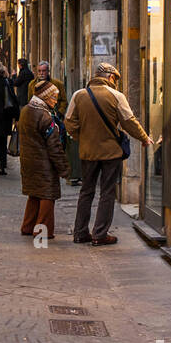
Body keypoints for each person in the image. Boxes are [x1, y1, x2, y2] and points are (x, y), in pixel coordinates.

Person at [65, 62, 152, 245]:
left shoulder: (78, 95)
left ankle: (80, 233)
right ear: (111, 77)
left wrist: (83, 137)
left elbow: (69, 122)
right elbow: (129, 121)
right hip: (110, 154)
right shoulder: (116, 96)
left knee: (86, 191)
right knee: (107, 192)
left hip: (87, 152)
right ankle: (99, 234)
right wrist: (144, 138)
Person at [18, 79, 70, 238]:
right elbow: (54, 147)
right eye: (53, 97)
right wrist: (64, 168)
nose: (55, 100)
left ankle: (28, 226)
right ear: (45, 97)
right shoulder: (45, 117)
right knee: (48, 195)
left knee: (34, 194)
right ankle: (42, 230)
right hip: (44, 163)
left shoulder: (26, 110)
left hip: (28, 160)